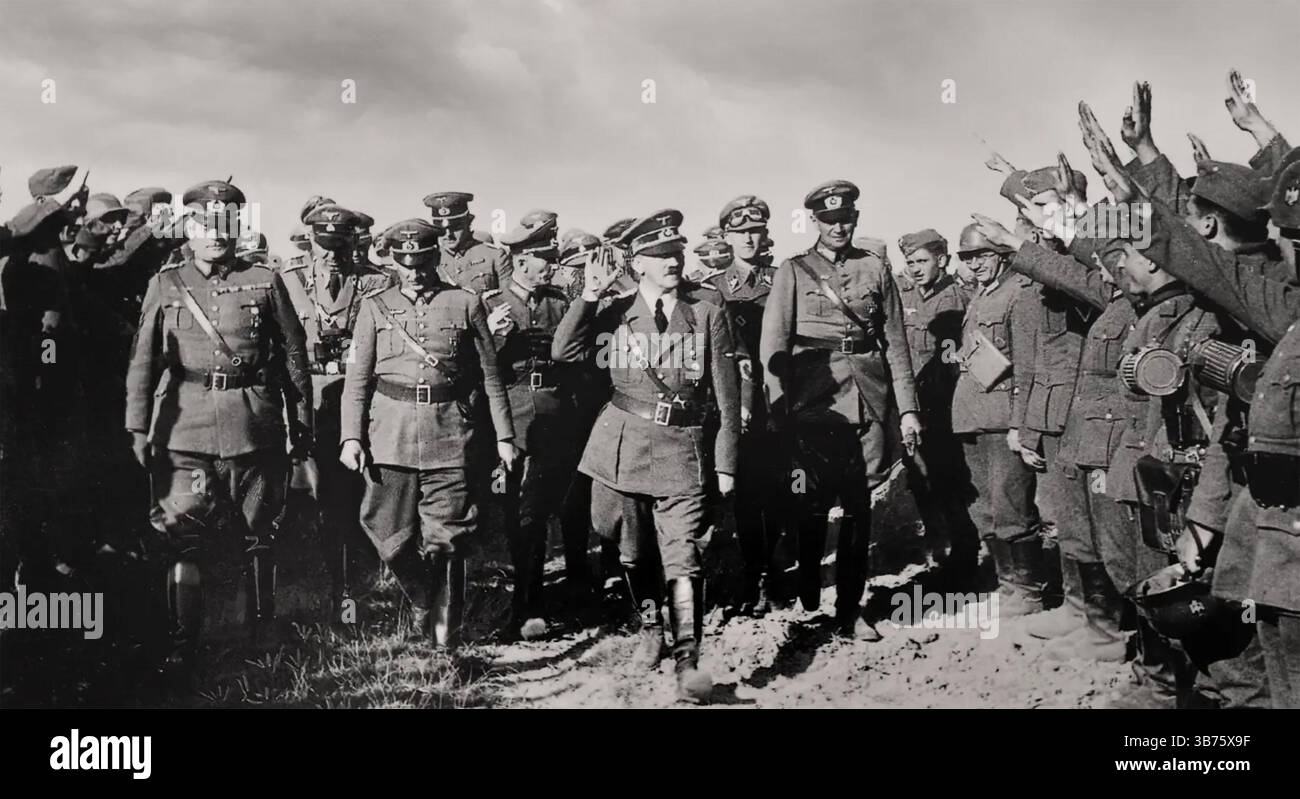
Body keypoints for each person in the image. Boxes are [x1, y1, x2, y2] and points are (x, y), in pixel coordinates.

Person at [124, 179, 313, 672]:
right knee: (182, 534)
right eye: (207, 225)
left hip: (254, 425)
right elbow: (144, 362)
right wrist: (138, 428)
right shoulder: (165, 285)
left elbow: (294, 355)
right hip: (184, 429)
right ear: (189, 227)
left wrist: (301, 424)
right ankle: (185, 646)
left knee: (258, 534)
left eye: (227, 225)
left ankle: (261, 639)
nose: (217, 235)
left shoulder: (264, 280)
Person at [551, 209, 738, 703]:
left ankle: (688, 661)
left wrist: (726, 462)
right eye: (659, 255)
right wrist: (589, 295)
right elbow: (565, 352)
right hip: (622, 444)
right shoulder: (615, 313)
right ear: (637, 264)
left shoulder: (707, 310)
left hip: (684, 447)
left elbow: (728, 393)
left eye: (676, 252)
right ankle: (650, 623)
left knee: (685, 556)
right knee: (626, 546)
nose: (672, 261)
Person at [339, 219, 518, 648]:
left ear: (436, 258)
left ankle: (445, 638)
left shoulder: (465, 303)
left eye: (421, 262)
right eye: (405, 263)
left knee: (448, 535)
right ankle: (424, 595)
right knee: (383, 530)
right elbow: (357, 381)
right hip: (391, 433)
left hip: (450, 431)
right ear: (395, 263)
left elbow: (491, 378)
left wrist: (505, 438)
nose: (414, 272)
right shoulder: (374, 307)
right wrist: (351, 437)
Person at [759, 179, 922, 638]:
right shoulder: (793, 271)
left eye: (846, 219)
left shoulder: (874, 269)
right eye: (829, 220)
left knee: (858, 509)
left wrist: (907, 409)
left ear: (856, 218)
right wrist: (778, 411)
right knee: (810, 504)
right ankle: (808, 589)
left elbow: (896, 344)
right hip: (815, 407)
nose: (839, 227)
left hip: (869, 401)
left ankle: (851, 608)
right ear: (815, 221)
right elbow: (773, 346)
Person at [279, 203, 395, 612]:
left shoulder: (378, 283)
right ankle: (333, 581)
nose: (332, 254)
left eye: (340, 246)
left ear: (353, 243)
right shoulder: (288, 280)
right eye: (324, 245)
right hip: (311, 398)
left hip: (363, 399)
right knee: (322, 493)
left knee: (365, 489)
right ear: (310, 241)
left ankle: (370, 572)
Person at [484, 212, 578, 639]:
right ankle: (513, 602)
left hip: (555, 416)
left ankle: (534, 603)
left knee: (539, 513)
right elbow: (474, 369)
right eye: (546, 258)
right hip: (510, 416)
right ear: (522, 262)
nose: (553, 265)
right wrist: (494, 337)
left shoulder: (560, 303)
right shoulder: (489, 304)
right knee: (513, 515)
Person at [948, 223, 1044, 616]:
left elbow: (1026, 366)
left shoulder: (1018, 295)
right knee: (984, 508)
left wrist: (1020, 425)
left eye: (983, 256)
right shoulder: (979, 296)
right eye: (968, 259)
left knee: (1011, 506)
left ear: (1002, 255)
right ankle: (1005, 583)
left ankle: (1027, 589)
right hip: (972, 417)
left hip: (1003, 418)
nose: (975, 265)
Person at [710, 195, 783, 614]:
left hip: (778, 401)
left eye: (756, 230)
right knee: (739, 493)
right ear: (726, 237)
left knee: (777, 491)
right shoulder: (714, 288)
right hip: (735, 404)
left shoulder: (784, 280)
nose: (750, 239)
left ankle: (770, 570)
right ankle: (745, 574)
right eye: (740, 232)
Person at [896, 228, 979, 581]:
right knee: (919, 480)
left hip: (944, 407)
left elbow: (955, 362)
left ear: (942, 260)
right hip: (911, 406)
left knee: (950, 481)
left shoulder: (957, 298)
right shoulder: (903, 297)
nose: (915, 269)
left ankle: (965, 555)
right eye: (910, 262)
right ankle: (936, 546)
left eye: (922, 261)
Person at [423, 191, 512, 291]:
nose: (448, 235)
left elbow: (509, 298)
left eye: (455, 227)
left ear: (469, 222)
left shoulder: (494, 256)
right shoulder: (429, 260)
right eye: (441, 229)